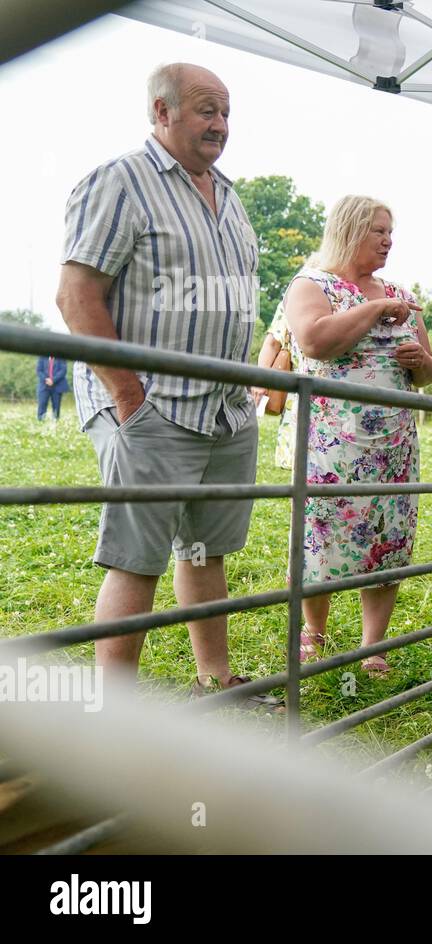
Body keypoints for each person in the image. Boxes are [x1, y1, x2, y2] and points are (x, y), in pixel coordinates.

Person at [55, 63, 276, 704]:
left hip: (221, 410)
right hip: (150, 405)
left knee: (205, 552)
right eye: (207, 110)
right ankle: (115, 710)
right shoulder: (119, 182)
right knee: (137, 556)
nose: (220, 125)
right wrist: (129, 398)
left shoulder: (229, 196)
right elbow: (76, 295)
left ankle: (217, 680)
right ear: (162, 112)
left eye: (226, 113)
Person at [283, 196, 432, 676]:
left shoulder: (397, 291)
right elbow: (313, 341)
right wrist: (374, 312)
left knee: (388, 537)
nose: (389, 240)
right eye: (378, 231)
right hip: (332, 441)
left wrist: (421, 363)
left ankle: (374, 645)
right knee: (321, 534)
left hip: (393, 445)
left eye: (391, 231)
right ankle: (315, 633)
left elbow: (430, 373)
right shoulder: (312, 285)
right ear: (349, 230)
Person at [250, 302, 299, 470]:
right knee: (302, 465)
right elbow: (272, 343)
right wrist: (261, 380)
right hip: (300, 391)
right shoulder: (293, 297)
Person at [36, 354, 70, 420]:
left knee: (56, 407)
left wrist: (53, 380)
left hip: (57, 385)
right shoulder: (42, 356)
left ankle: (55, 423)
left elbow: (63, 370)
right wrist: (46, 379)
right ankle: (40, 421)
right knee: (42, 404)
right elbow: (39, 370)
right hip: (44, 385)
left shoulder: (61, 357)